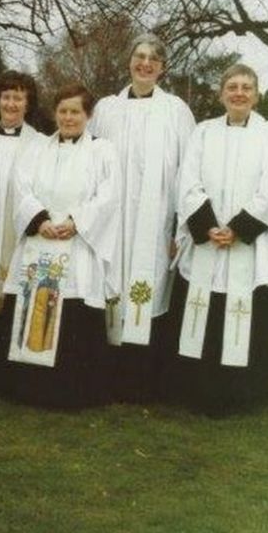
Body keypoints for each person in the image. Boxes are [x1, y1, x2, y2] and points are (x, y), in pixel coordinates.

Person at [163, 63, 268, 416]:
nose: (239, 93)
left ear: (256, 95)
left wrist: (239, 228)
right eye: (232, 87)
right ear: (221, 93)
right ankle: (196, 389)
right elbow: (187, 181)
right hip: (208, 243)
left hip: (249, 244)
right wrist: (207, 225)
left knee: (244, 315)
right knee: (203, 310)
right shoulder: (203, 132)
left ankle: (243, 394)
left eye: (246, 87)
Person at [89, 34, 196, 402]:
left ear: (162, 68)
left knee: (147, 296)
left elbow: (189, 173)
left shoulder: (176, 111)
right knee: (111, 289)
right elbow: (90, 163)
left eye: (153, 58)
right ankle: (106, 377)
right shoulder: (106, 109)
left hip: (155, 224)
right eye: (140, 55)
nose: (145, 63)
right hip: (112, 225)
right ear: (129, 61)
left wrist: (180, 229)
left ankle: (142, 382)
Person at [0, 83, 121, 409]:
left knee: (73, 313)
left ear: (88, 115)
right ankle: (30, 388)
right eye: (63, 111)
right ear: (55, 113)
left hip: (77, 244)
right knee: (35, 304)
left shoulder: (103, 151)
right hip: (40, 242)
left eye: (75, 112)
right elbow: (21, 188)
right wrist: (40, 220)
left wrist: (76, 221)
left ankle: (72, 391)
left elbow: (109, 196)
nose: (68, 118)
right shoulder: (37, 148)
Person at [0, 70, 47, 392]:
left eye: (18, 97)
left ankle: (7, 372)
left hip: (17, 234)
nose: (11, 103)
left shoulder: (41, 145)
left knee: (11, 295)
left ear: (28, 104)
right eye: (6, 97)